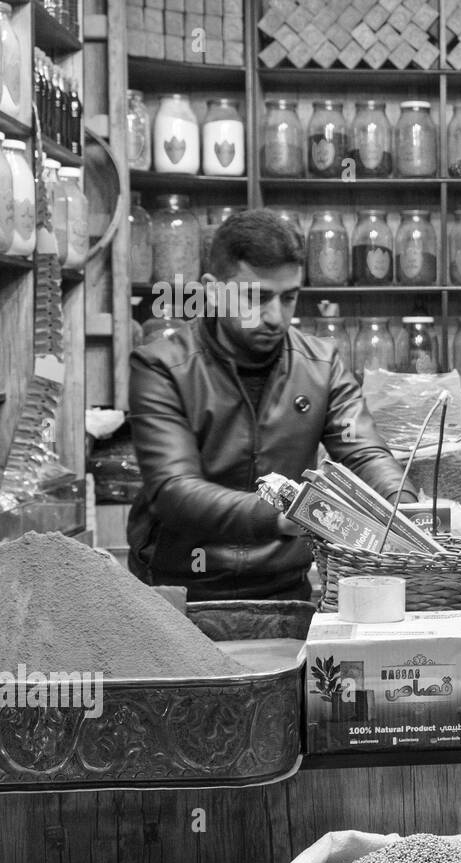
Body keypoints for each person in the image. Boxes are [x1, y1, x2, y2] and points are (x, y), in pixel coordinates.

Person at [128, 210, 413, 601]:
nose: (275, 317)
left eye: (289, 297)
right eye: (256, 297)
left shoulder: (320, 364)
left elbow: (363, 452)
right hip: (179, 592)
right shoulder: (162, 368)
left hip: (283, 591)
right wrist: (285, 514)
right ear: (212, 291)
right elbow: (174, 491)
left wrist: (405, 506)